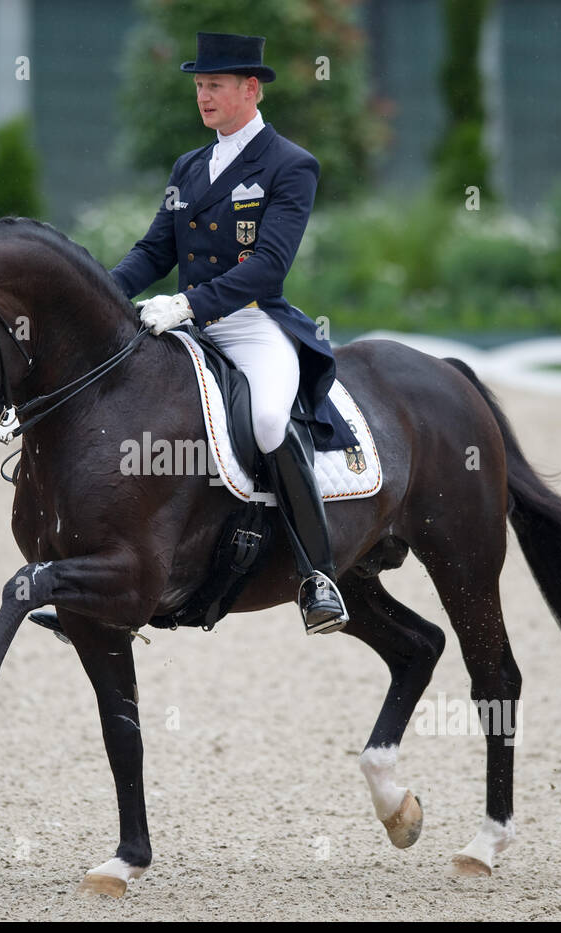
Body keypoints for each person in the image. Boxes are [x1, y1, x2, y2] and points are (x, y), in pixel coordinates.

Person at [112, 31, 352, 635]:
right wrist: (101, 296)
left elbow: (267, 266)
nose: (204, 96)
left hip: (248, 323)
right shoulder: (189, 166)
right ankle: (113, 571)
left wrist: (188, 304)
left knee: (270, 421)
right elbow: (152, 250)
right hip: (183, 321)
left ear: (251, 88)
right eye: (198, 86)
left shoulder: (290, 164)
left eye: (215, 85)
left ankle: (317, 574)